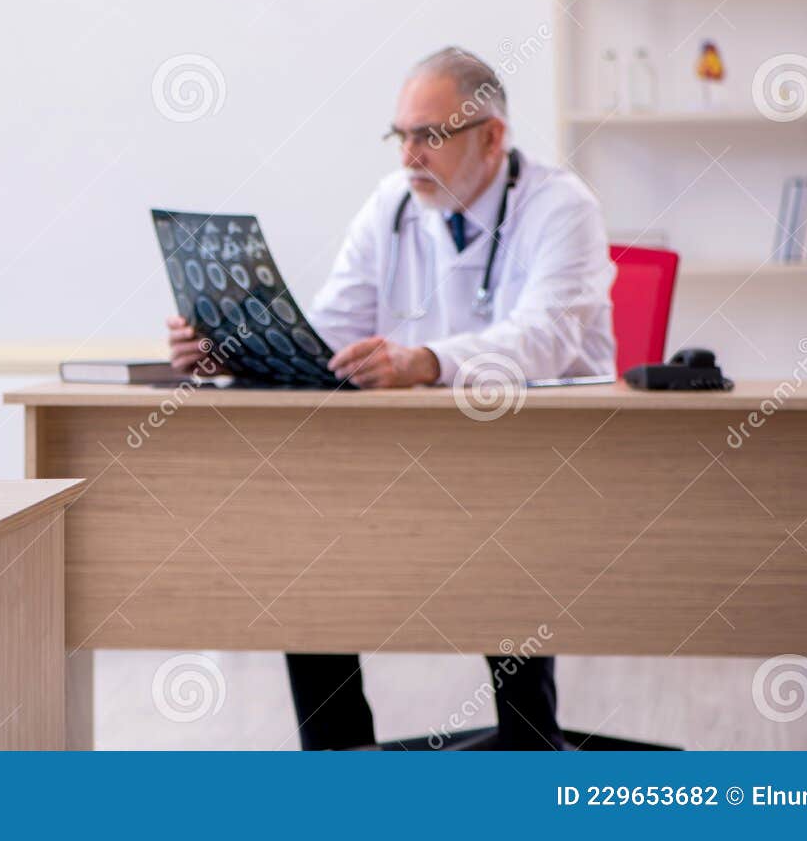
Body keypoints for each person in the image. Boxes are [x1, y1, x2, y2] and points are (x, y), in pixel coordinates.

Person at [167, 46, 615, 749]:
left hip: (543, 464)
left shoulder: (562, 207)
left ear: (492, 136)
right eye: (401, 135)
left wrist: (426, 360)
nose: (410, 154)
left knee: (500, 546)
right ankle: (341, 764)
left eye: (430, 135)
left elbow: (545, 340)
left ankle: (529, 752)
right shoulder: (394, 205)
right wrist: (229, 348)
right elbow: (331, 331)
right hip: (427, 458)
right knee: (307, 554)